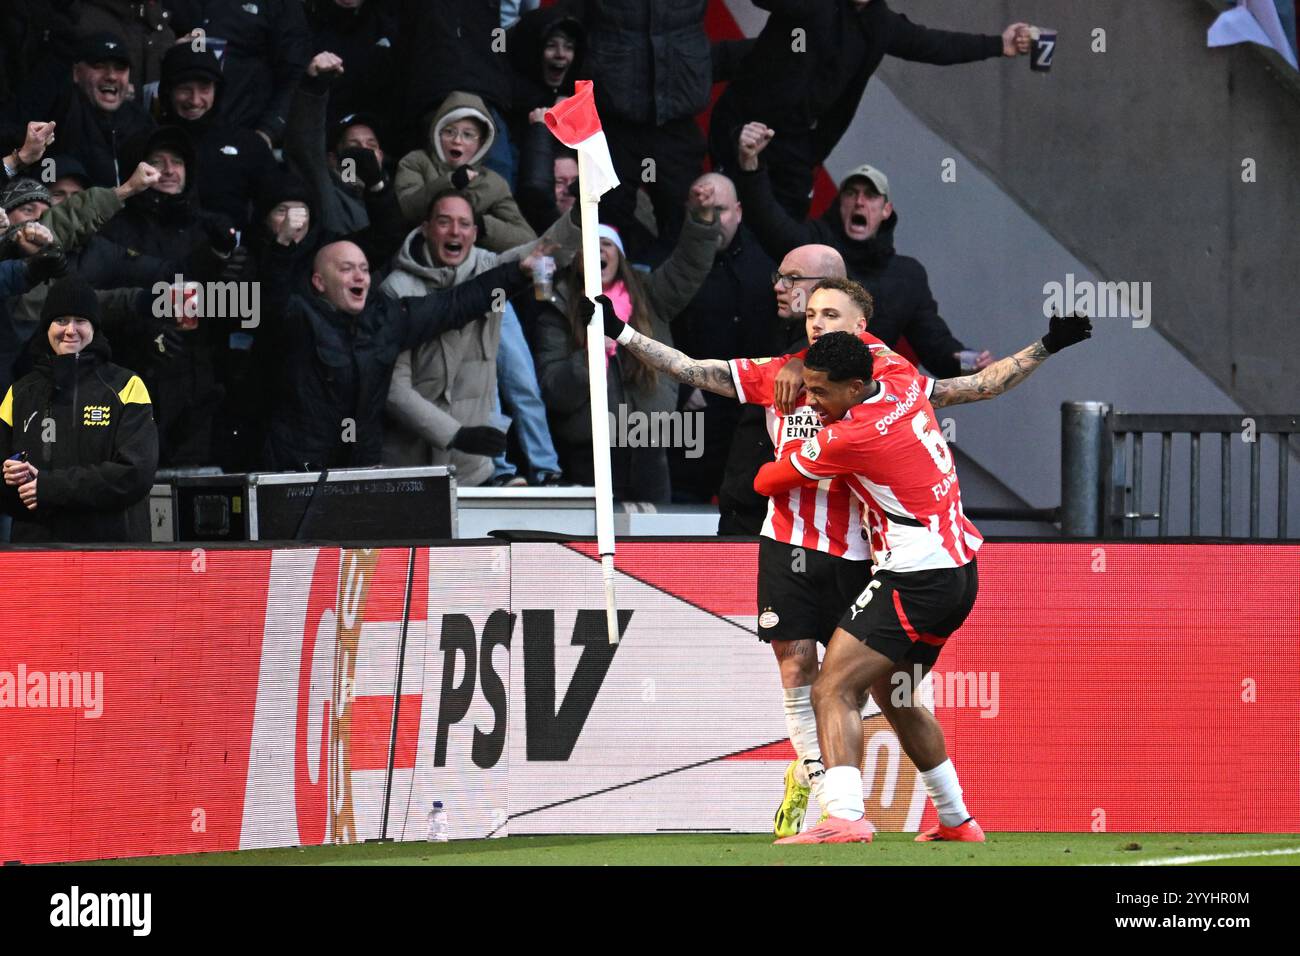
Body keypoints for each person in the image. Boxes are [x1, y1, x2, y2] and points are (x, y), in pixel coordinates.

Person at [590, 277, 1092, 838]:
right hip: (816, 546)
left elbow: (971, 387)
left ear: (862, 327)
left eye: (831, 314)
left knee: (835, 687)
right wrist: (626, 334)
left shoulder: (871, 400)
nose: (817, 322)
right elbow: (693, 369)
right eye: (810, 315)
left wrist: (798, 407)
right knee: (876, 688)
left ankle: (847, 817)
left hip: (884, 563)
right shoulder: (876, 380)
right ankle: (943, 815)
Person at [754, 316, 1090, 844]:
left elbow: (764, 480)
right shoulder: (904, 378)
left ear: (855, 387)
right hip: (960, 572)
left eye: (820, 392)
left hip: (915, 577)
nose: (811, 401)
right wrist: (801, 362)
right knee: (899, 696)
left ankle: (844, 817)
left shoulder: (852, 436)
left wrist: (802, 446)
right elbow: (873, 345)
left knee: (833, 688)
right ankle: (957, 819)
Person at [710, 0, 1032, 218]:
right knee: (719, 214)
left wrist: (998, 45)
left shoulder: (881, 25)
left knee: (782, 239)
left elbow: (933, 44)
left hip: (796, 147)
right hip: (744, 125)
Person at [256, 238, 544, 472]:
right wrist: (281, 249)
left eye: (365, 269)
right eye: (346, 269)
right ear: (319, 282)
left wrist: (517, 274)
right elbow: (270, 302)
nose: (360, 277)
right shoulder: (295, 319)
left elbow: (455, 304)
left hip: (359, 475)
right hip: (296, 474)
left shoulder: (385, 320)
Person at [736, 138, 990, 379]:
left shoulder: (907, 276)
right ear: (840, 203)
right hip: (799, 384)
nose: (859, 202)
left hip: (865, 402)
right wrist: (750, 167)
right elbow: (770, 224)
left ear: (885, 210)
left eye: (870, 195)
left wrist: (971, 363)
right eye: (851, 193)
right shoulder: (816, 244)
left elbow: (936, 347)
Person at [535, 186, 720, 501]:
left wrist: (702, 219)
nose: (599, 251)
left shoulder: (649, 294)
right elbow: (554, 390)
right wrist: (595, 351)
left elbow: (688, 266)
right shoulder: (558, 307)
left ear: (619, 256)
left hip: (649, 442)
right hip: (590, 449)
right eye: (590, 246)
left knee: (654, 541)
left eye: (606, 244)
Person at [382, 189, 575, 486]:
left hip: (472, 469)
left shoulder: (489, 267)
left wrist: (583, 212)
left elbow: (547, 249)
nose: (455, 231)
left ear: (474, 233)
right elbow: (394, 391)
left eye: (463, 224)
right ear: (426, 227)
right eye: (444, 222)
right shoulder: (396, 288)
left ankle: (544, 468)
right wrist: (455, 434)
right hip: (411, 470)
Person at [0, 275, 158, 543]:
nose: (70, 330)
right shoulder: (19, 392)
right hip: (36, 554)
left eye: (80, 321)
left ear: (94, 327)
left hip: (110, 551)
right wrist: (8, 479)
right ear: (46, 326)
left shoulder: (126, 386)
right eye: (60, 320)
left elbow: (135, 475)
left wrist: (49, 487)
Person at [668, 172, 779, 503]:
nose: (714, 220)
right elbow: (652, 327)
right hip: (692, 416)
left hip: (749, 415)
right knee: (684, 515)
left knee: (747, 509)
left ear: (740, 211)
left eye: (721, 210)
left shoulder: (766, 266)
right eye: (704, 212)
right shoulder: (672, 263)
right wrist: (684, 388)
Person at [582, 0, 710, 263]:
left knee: (685, 227)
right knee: (604, 228)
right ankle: (606, 301)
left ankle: (677, 301)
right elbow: (571, 19)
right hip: (613, 116)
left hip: (676, 116)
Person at [7, 32, 155, 188]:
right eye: (99, 66)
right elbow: (45, 167)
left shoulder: (142, 120)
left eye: (120, 68)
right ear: (76, 73)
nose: (111, 76)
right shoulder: (60, 114)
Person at [156, 44, 277, 231]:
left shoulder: (247, 144)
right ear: (167, 92)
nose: (195, 100)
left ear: (217, 90)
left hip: (232, 254)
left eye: (204, 89)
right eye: (185, 89)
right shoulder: (148, 140)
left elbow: (275, 204)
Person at [394, 92, 536, 252]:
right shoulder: (416, 162)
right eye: (449, 131)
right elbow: (405, 210)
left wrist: (479, 224)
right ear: (436, 133)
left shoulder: (494, 183)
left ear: (482, 142)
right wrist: (451, 183)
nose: (457, 140)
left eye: (468, 135)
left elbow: (527, 240)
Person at [166, 0, 311, 149]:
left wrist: (268, 131)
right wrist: (168, 49)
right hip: (171, 140)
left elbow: (294, 73)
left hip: (243, 137)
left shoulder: (278, 5)